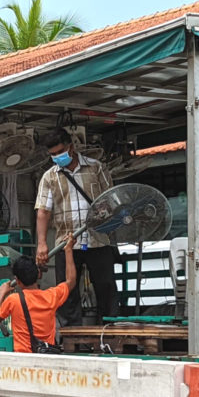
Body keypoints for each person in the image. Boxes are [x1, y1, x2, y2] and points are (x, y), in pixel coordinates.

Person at [35, 128, 117, 325]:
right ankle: (72, 336)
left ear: (70, 147)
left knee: (105, 287)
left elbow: (112, 199)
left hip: (98, 239)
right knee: (66, 291)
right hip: (66, 243)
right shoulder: (50, 177)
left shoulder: (96, 168)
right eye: (52, 154)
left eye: (59, 152)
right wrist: (42, 244)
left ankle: (111, 332)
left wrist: (104, 213)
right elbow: (43, 211)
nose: (56, 157)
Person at [0, 240, 76, 353]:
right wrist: (68, 250)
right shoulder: (51, 296)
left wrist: (2, 293)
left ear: (17, 280)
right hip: (46, 357)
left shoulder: (14, 300)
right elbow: (71, 281)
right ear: (38, 275)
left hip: (23, 359)